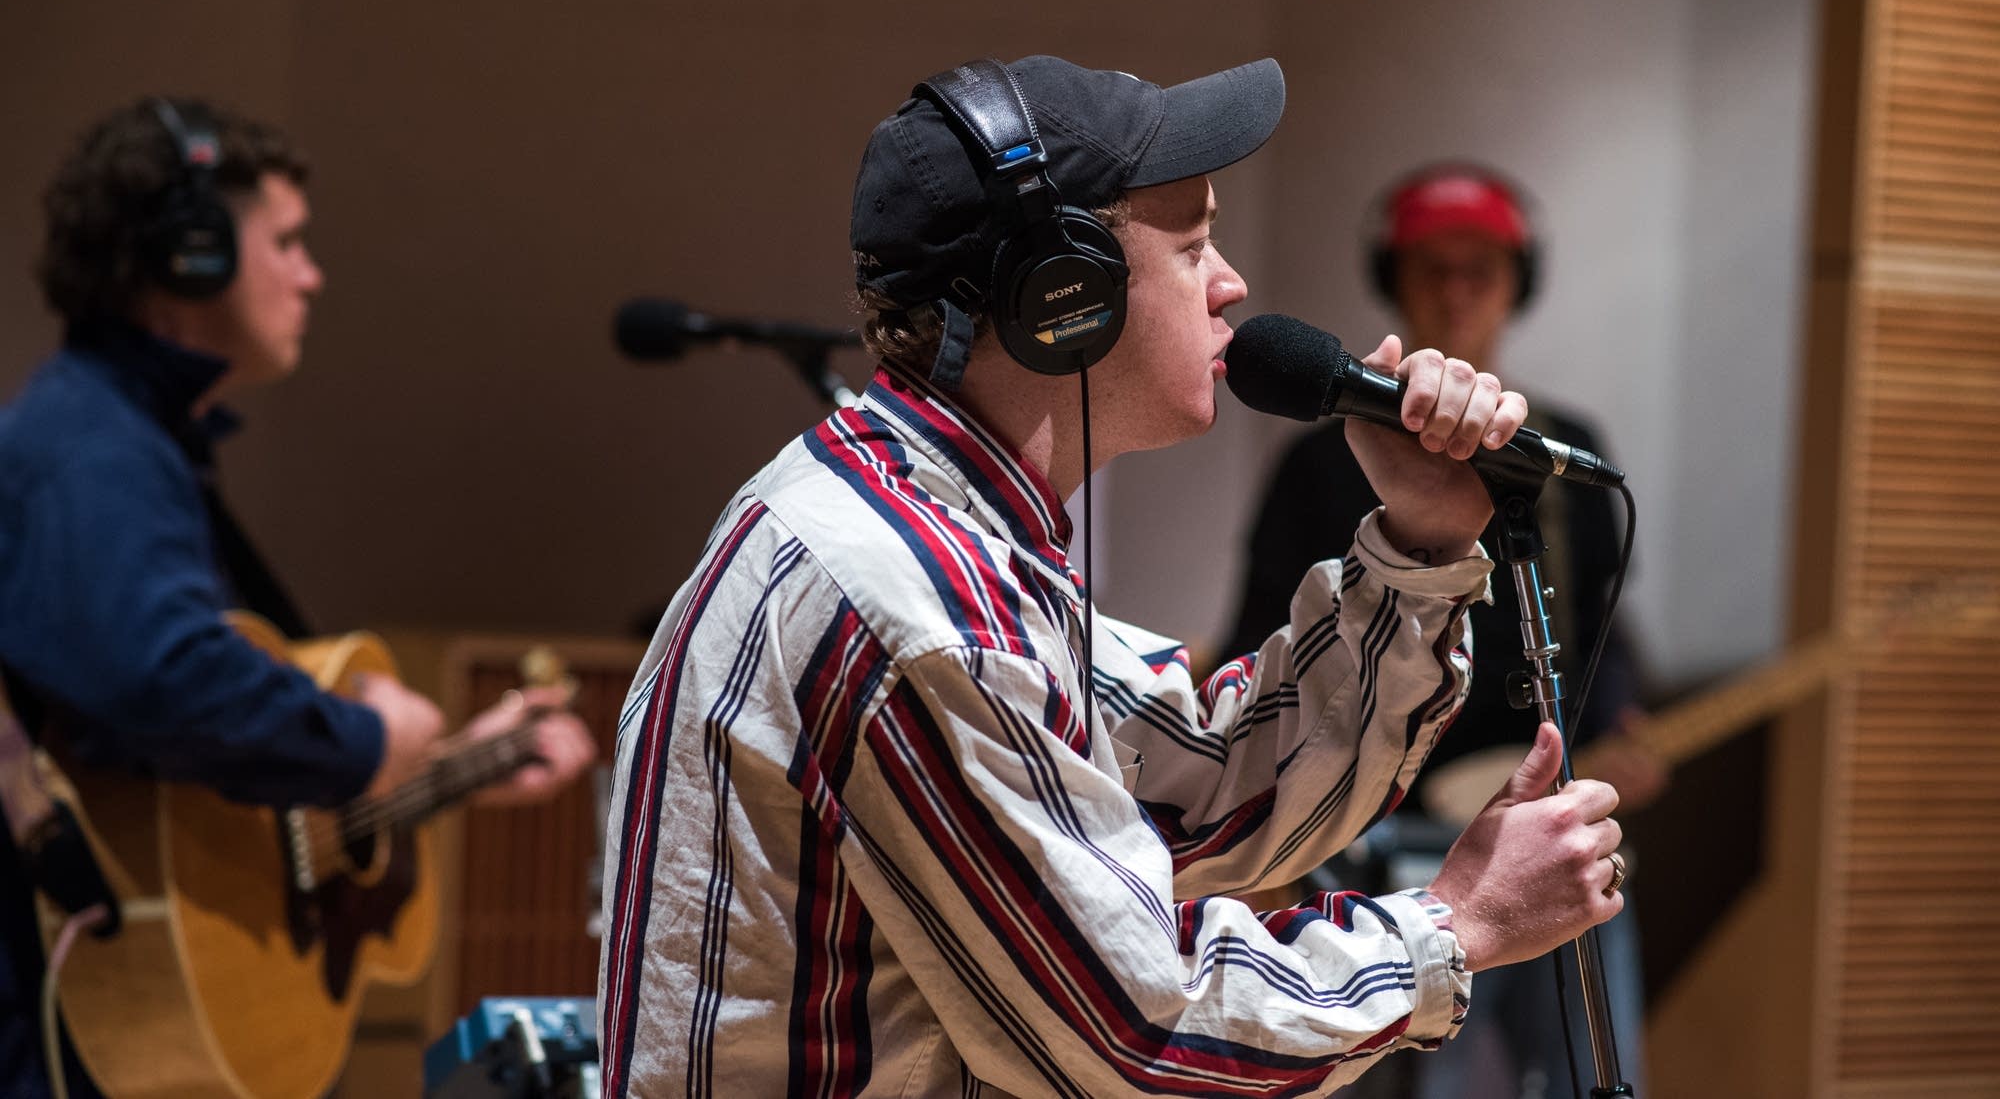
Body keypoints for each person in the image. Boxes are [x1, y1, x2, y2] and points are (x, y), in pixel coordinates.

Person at [597, 56, 1628, 1097]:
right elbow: (1135, 1032)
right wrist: (1454, 927)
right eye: (1191, 248)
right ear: (1065, 299)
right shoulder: (908, 595)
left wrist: (1420, 545)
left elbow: (1210, 787)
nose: (1231, 285)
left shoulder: (928, 525)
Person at [0, 97, 597, 1099]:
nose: (311, 273)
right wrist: (362, 740)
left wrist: (445, 766)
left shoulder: (132, 440)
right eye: (284, 242)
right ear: (188, 260)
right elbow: (165, 679)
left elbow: (165, 762)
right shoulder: (92, 450)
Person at [1223, 162, 1665, 1098]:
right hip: (1378, 849)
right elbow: (1255, 647)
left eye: (1482, 270)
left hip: (1549, 821)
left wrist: (1625, 722)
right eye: (1434, 269)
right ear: (1396, 280)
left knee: (1596, 1063)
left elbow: (1602, 633)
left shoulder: (1558, 450)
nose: (1458, 292)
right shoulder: (1323, 460)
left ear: (1517, 284)